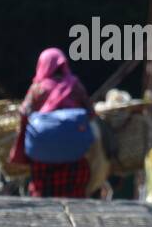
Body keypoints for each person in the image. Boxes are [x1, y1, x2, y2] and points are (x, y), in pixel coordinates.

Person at [11, 47, 94, 198]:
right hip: (74, 161)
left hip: (43, 163)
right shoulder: (75, 85)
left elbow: (24, 112)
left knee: (43, 197)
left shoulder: (37, 88)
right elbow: (91, 113)